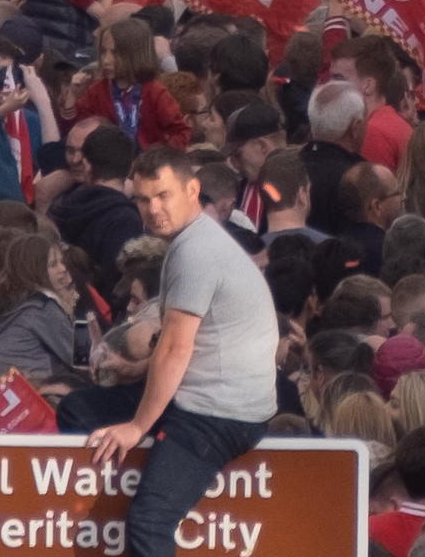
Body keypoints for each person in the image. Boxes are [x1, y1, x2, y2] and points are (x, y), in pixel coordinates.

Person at [99, 140, 276, 557]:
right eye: (143, 200)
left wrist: (137, 427)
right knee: (83, 409)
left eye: (163, 196)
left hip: (216, 414)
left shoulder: (196, 251)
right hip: (229, 401)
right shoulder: (198, 241)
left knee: (148, 524)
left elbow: (176, 349)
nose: (153, 209)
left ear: (192, 191)